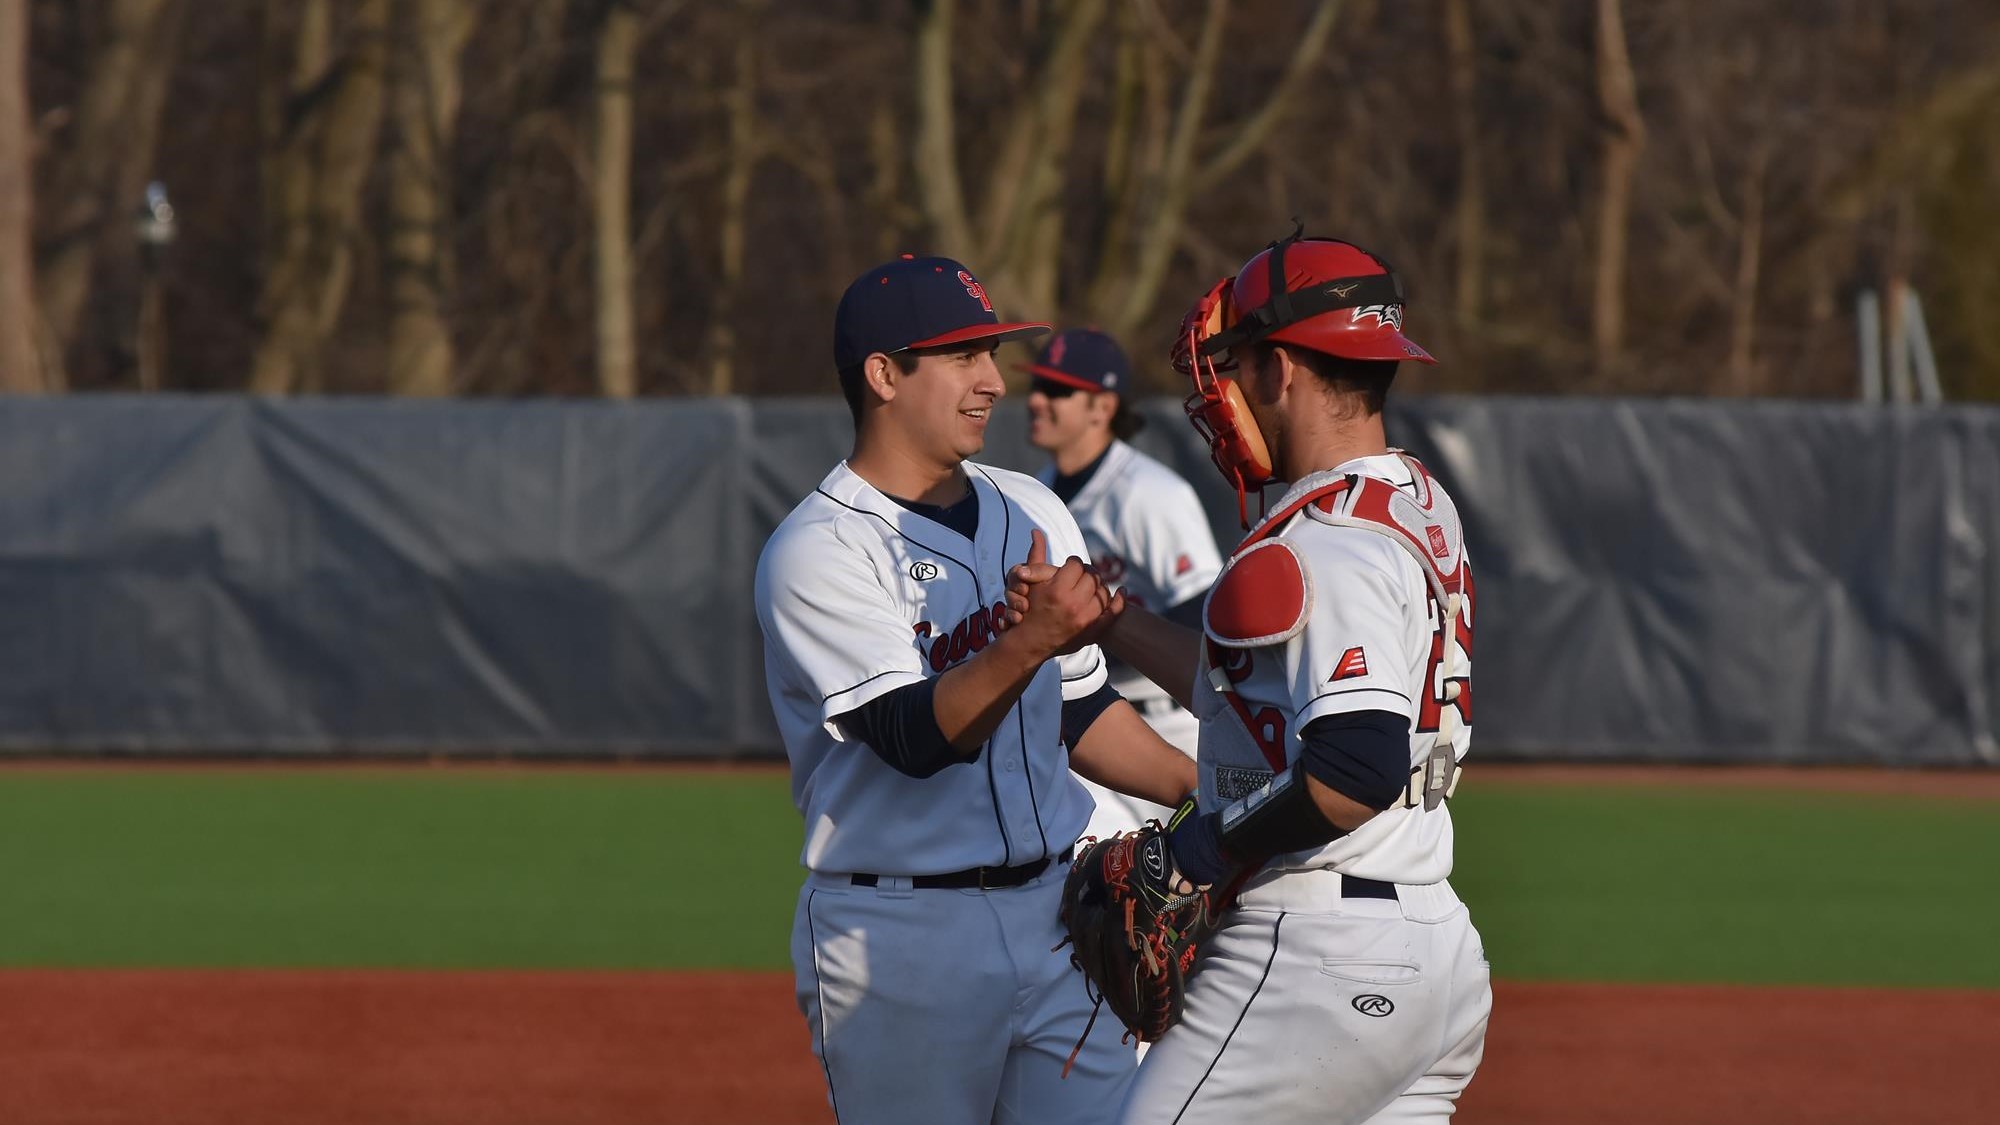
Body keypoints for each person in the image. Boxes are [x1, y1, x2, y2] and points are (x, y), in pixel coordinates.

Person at [1011, 231, 1491, 1122]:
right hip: (1436, 952)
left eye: (1232, 363)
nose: (1220, 389)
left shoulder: (1325, 542)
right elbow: (1246, 691)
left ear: (1283, 368)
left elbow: (1356, 766)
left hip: (1319, 946)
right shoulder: (1414, 501)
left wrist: (1196, 853)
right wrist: (1111, 621)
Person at [754, 254, 1199, 1125]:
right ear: (884, 374)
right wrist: (1032, 635)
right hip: (901, 936)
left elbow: (1080, 709)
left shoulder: (1031, 508)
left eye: (991, 353)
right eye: (963, 355)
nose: (993, 380)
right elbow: (915, 736)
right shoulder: (819, 548)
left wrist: (1208, 792)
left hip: (1060, 918)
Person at [1022, 328, 1222, 842]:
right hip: (1088, 730)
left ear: (1102, 406)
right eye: (1038, 386)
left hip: (1171, 723)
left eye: (1058, 390)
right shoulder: (1035, 495)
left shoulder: (1148, 493)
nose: (1038, 401)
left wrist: (1090, 635)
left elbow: (1202, 609)